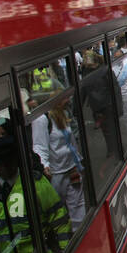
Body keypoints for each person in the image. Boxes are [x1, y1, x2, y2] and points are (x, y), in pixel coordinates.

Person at [31, 94, 86, 225]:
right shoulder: (42, 120)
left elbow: (71, 142)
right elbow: (39, 146)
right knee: (58, 210)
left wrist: (78, 160)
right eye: (64, 97)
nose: (68, 100)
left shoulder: (62, 114)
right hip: (56, 174)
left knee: (78, 206)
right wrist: (44, 165)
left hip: (72, 169)